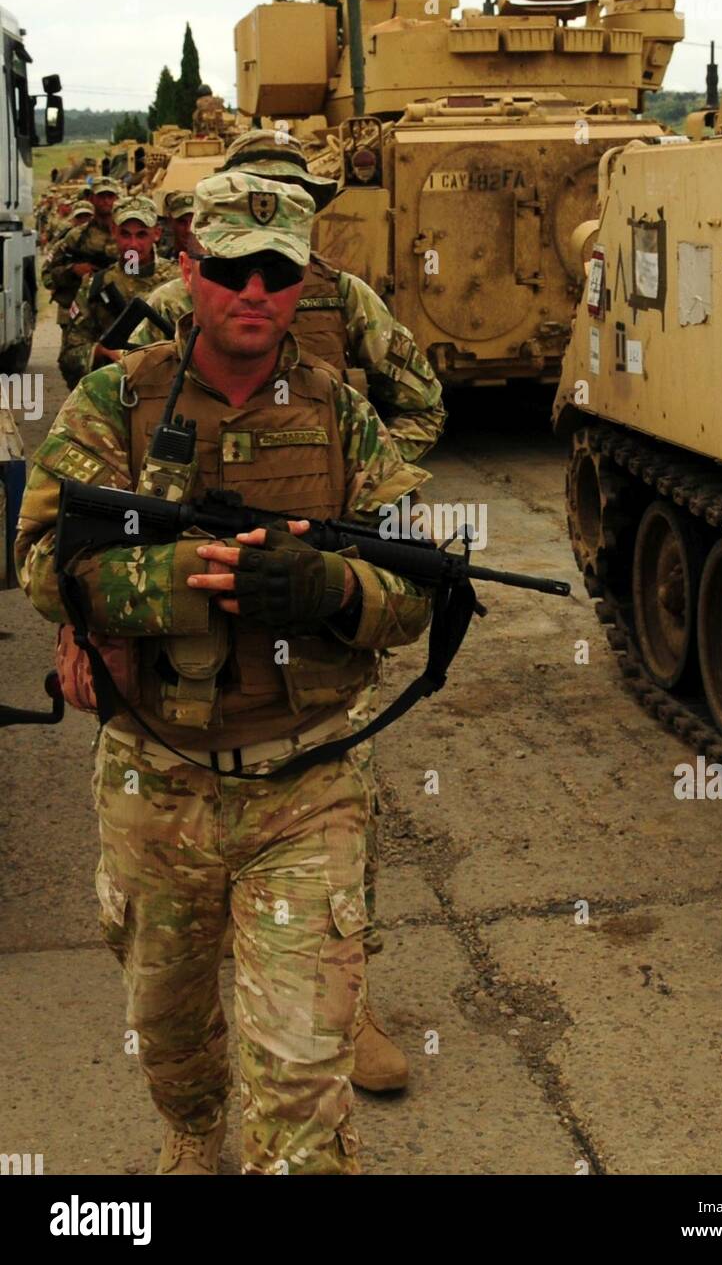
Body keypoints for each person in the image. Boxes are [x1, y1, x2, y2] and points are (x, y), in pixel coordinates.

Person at [16, 170, 433, 1175]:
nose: (254, 292)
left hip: (307, 783)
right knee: (168, 1031)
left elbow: (419, 589)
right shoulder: (116, 401)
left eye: (277, 272)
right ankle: (191, 1139)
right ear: (190, 268)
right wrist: (171, 584)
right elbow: (38, 558)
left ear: (302, 281)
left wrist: (329, 587)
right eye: (233, 269)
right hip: (156, 778)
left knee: (299, 1081)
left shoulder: (341, 416)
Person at [127, 128, 446, 1091]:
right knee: (175, 914)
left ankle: (347, 1005)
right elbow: (110, 463)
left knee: (341, 810)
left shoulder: (347, 304)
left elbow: (421, 407)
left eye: (288, 210)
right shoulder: (167, 316)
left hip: (315, 613)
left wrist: (346, 499)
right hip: (183, 643)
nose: (257, 279)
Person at [59, 196, 177, 390]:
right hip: (115, 391)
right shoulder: (95, 286)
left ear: (156, 233)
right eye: (125, 234)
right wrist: (101, 351)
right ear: (114, 232)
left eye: (141, 235)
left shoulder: (178, 281)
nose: (132, 244)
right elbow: (69, 355)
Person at [42, 177, 123, 311]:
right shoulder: (76, 237)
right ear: (91, 198)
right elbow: (48, 276)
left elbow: (135, 273)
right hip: (85, 315)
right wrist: (73, 270)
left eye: (110, 196)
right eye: (101, 196)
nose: (106, 201)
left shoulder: (130, 235)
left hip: (119, 310)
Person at [41, 199, 96, 336]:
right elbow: (47, 277)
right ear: (73, 220)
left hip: (100, 312)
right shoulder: (63, 245)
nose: (84, 222)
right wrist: (71, 271)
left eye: (87, 217)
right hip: (70, 311)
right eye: (80, 217)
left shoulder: (107, 243)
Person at [159, 191, 194, 260]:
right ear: (170, 221)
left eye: (193, 222)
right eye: (182, 222)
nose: (188, 230)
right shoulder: (160, 259)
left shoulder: (213, 262)